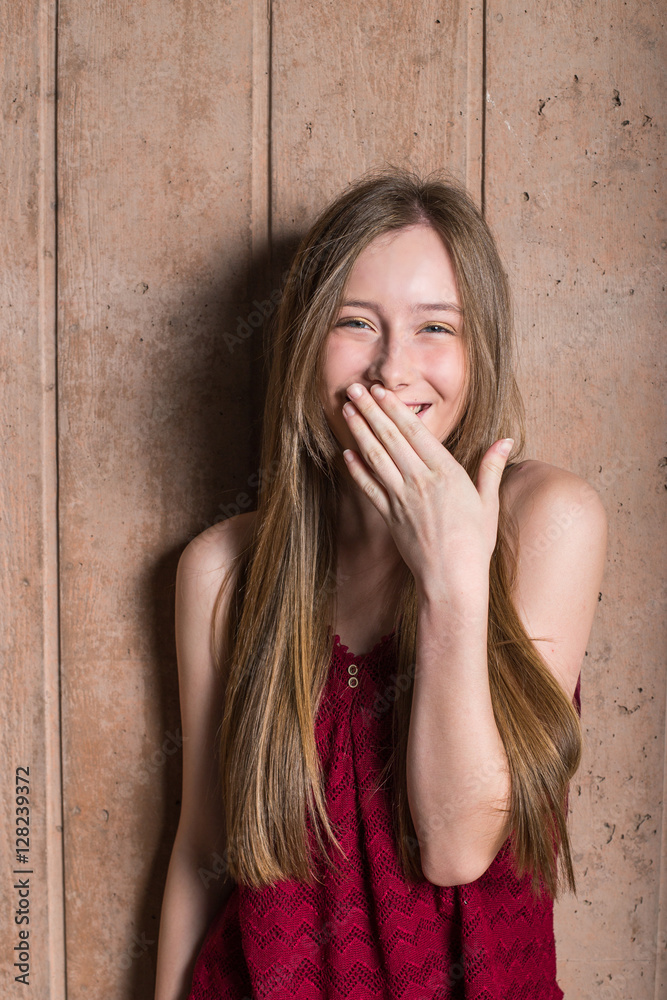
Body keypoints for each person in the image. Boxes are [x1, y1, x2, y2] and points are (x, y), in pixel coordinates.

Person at [154, 169, 607, 1000]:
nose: (393, 368)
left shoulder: (549, 521)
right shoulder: (221, 571)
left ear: (480, 352)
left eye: (436, 326)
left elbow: (455, 846)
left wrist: (450, 576)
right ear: (302, 344)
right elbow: (199, 850)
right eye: (355, 323)